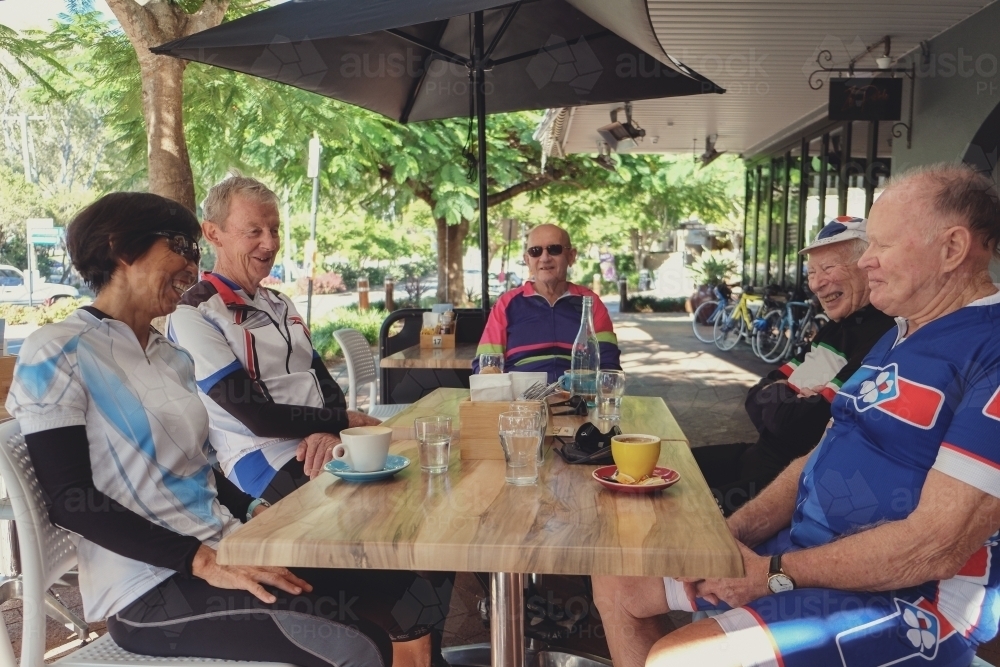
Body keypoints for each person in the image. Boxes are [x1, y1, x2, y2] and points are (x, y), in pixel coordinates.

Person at [593, 164, 1000, 667]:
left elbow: (935, 546)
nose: (865, 260)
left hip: (911, 599)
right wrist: (734, 534)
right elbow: (814, 457)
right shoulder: (897, 334)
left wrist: (771, 574)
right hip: (802, 555)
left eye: (882, 245)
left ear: (953, 248)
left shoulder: (989, 350)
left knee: (680, 659)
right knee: (618, 578)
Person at [6, 192, 433, 667]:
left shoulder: (170, 355)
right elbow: (70, 499)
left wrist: (257, 511)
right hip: (149, 588)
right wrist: (202, 560)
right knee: (355, 642)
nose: (193, 264)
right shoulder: (58, 350)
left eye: (194, 249)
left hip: (227, 546)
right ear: (120, 249)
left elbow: (197, 467)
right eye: (180, 246)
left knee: (410, 582)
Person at [168, 174, 379, 501]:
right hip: (261, 459)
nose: (270, 244)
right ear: (213, 233)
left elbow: (325, 384)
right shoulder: (194, 313)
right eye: (254, 231)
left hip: (319, 442)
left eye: (275, 230)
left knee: (407, 467)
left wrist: (328, 430)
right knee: (368, 499)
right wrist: (343, 420)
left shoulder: (280, 303)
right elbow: (256, 416)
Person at [692, 216, 895, 515]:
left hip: (787, 485)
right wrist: (787, 398)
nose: (815, 284)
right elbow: (755, 397)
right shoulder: (834, 329)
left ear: (867, 266)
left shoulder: (883, 336)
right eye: (812, 272)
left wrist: (780, 394)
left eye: (828, 268)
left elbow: (797, 425)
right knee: (669, 465)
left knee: (689, 511)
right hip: (755, 457)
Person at [472, 223, 621, 381]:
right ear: (527, 260)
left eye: (554, 249)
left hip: (577, 393)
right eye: (535, 251)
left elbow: (608, 366)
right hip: (521, 394)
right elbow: (484, 365)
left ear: (571, 256)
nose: (544, 258)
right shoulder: (506, 304)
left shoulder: (591, 303)